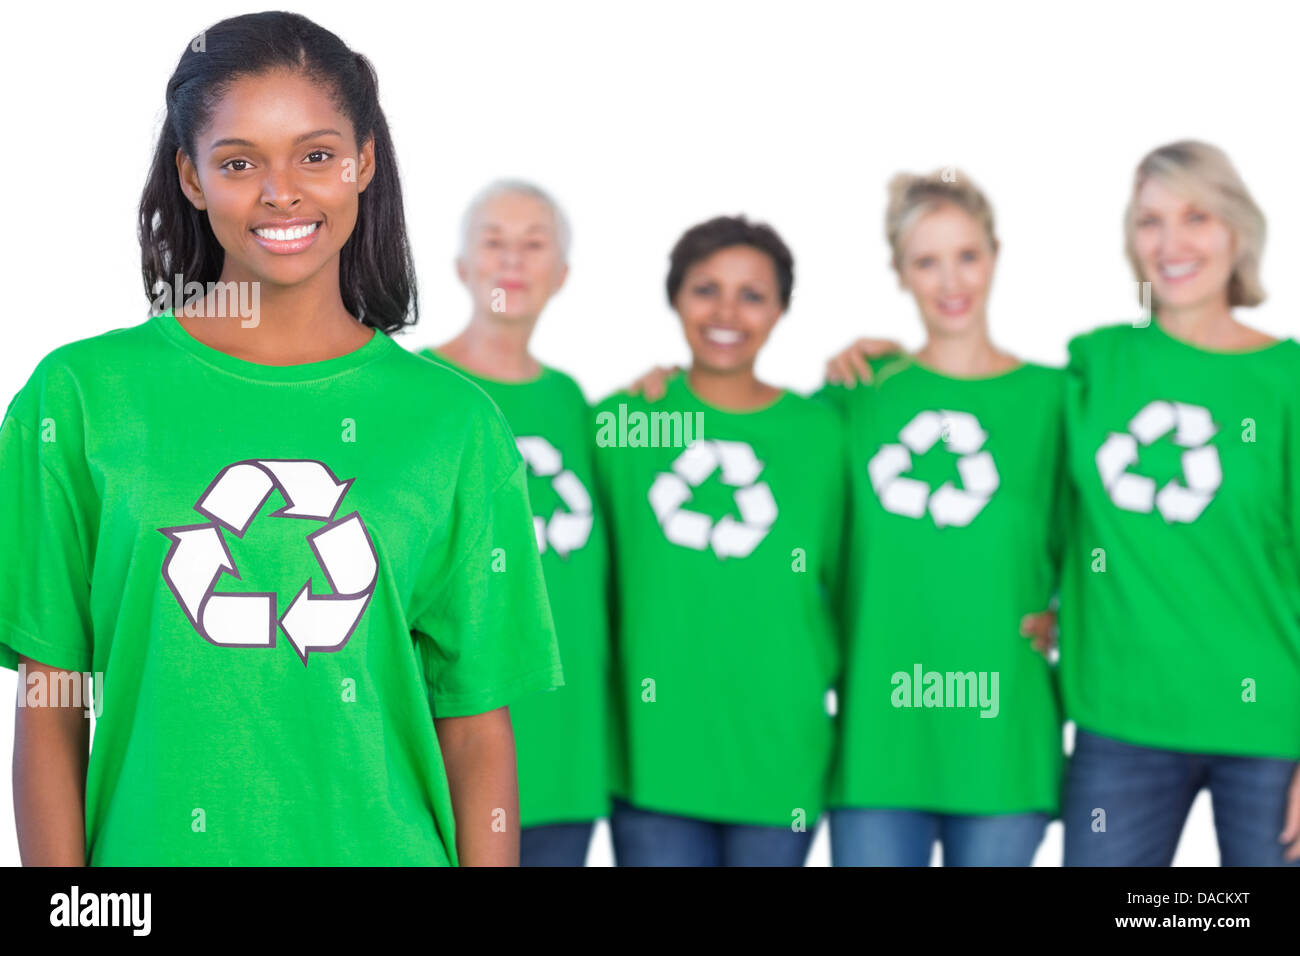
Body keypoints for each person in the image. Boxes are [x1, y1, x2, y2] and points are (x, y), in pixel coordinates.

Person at [0, 12, 560, 866]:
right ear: (190, 177)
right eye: (237, 163)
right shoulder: (80, 397)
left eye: (317, 155)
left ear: (364, 162)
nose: (282, 192)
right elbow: (51, 702)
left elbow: (477, 727)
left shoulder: (453, 424)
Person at [1057, 141, 1300, 866]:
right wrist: (888, 361)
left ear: (1236, 230)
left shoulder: (1287, 381)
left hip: (1271, 733)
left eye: (1195, 216)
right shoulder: (1095, 362)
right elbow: (995, 425)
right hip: (1122, 725)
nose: (1171, 243)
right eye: (1149, 221)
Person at [818, 170, 1064, 866]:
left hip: (1002, 744)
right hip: (878, 742)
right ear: (899, 272)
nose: (951, 281)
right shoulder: (857, 397)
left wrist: (1072, 611)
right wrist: (663, 389)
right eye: (926, 261)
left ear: (994, 255)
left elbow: (1113, 533)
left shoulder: (1053, 399)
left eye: (967, 255)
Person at [594, 215, 846, 866]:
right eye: (706, 289)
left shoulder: (824, 435)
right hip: (653, 753)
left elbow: (863, 576)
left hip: (779, 752)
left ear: (782, 309)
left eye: (753, 294)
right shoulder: (623, 425)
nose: (727, 311)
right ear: (674, 296)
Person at [422, 180, 610, 867]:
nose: (513, 261)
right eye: (493, 242)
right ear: (461, 267)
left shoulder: (573, 402)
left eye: (534, 245)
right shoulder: (417, 392)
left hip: (560, 756)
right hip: (443, 746)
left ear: (560, 274)